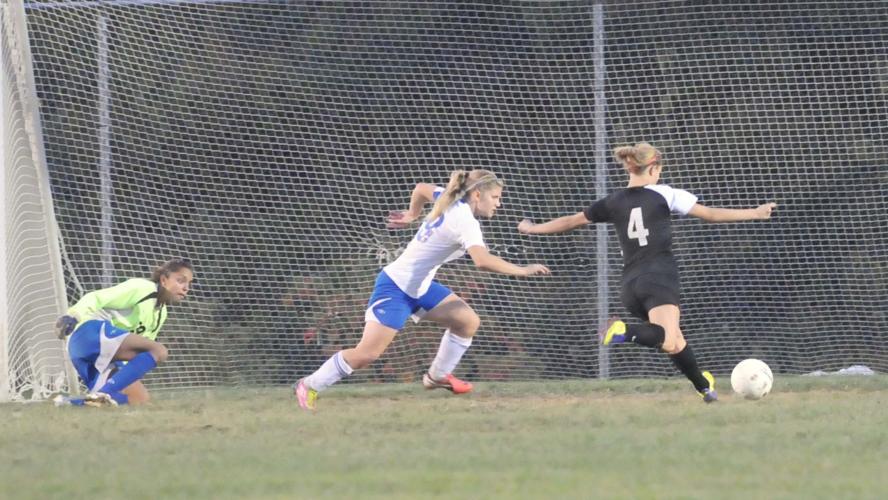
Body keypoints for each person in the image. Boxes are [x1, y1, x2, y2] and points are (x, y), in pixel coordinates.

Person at [518, 143, 776, 402]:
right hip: (659, 276)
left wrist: (533, 228)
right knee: (665, 336)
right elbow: (710, 214)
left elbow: (570, 221)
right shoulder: (665, 194)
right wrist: (755, 212)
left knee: (674, 340)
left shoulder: (613, 201)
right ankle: (623, 331)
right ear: (653, 167)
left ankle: (704, 387)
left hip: (630, 285)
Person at [294, 169, 550, 410]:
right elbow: (482, 261)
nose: (499, 203)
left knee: (467, 322)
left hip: (420, 288)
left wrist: (412, 214)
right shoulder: (465, 221)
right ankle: (309, 384)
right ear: (477, 194)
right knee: (366, 355)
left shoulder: (450, 199)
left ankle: (437, 377)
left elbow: (421, 189)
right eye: (495, 197)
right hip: (395, 288)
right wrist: (523, 269)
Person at [54, 258, 194, 407]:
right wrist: (73, 315)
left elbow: (138, 352)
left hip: (88, 352)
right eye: (181, 281)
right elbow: (97, 297)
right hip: (87, 333)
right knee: (160, 350)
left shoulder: (161, 314)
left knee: (139, 400)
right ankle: (102, 394)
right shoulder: (143, 288)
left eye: (189, 283)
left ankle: (70, 404)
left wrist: (123, 375)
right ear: (164, 280)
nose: (186, 288)